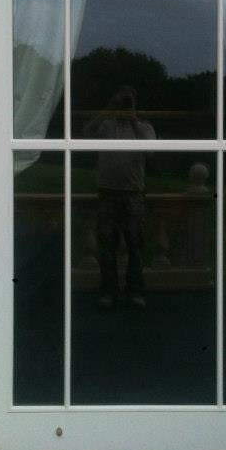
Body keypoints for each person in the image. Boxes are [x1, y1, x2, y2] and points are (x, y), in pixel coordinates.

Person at [83, 86, 155, 309]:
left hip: (133, 193)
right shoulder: (106, 125)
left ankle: (135, 292)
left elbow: (151, 150)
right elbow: (86, 134)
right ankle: (108, 292)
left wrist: (132, 118)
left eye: (128, 101)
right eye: (122, 100)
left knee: (136, 245)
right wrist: (108, 109)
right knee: (107, 245)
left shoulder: (143, 127)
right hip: (108, 192)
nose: (124, 105)